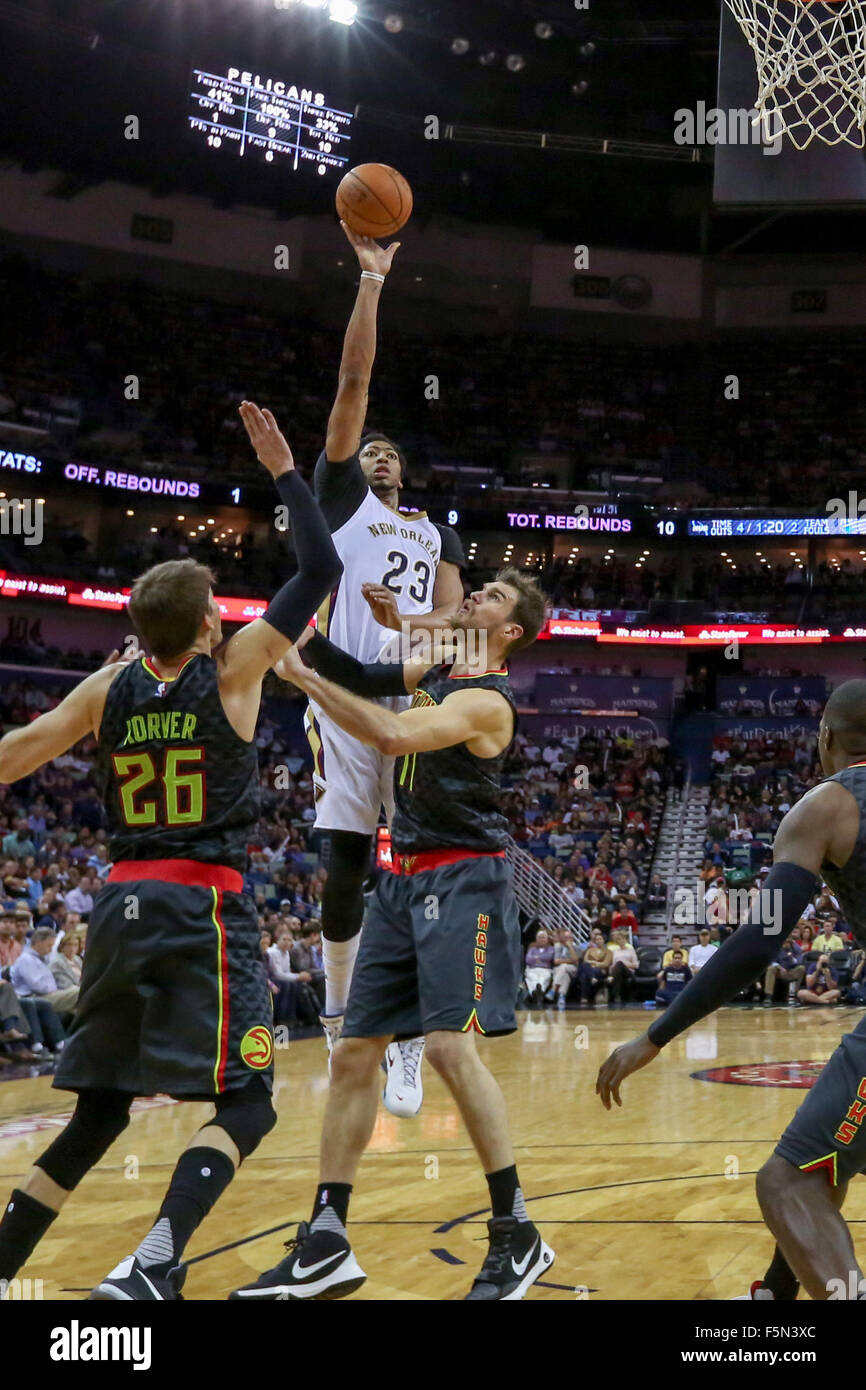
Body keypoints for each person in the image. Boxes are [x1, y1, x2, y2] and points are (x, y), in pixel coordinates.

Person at [0, 401, 342, 1301]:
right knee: (248, 1101)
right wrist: (284, 471)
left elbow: (12, 758)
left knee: (96, 1114)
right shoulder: (231, 673)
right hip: (204, 906)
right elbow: (322, 568)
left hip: (116, 906)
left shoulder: (105, 685)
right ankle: (152, 1264)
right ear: (204, 629)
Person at [231, 568, 553, 1301]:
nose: (478, 596)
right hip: (400, 878)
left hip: (464, 878)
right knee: (352, 1057)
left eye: (494, 598)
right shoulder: (439, 668)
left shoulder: (484, 700)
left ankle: (517, 1232)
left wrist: (302, 675)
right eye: (483, 588)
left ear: (509, 635)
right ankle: (327, 1241)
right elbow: (385, 664)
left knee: (446, 1046)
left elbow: (391, 732)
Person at [596, 679, 866, 1303]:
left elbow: (755, 945)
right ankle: (775, 1298)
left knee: (789, 1181)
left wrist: (656, 1034)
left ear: (824, 739)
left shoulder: (827, 805)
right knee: (824, 1157)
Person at [303, 223, 465, 1117]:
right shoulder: (341, 502)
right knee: (344, 863)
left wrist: (421, 626)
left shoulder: (434, 531)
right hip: (343, 694)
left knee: (415, 870)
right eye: (368, 450)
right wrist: (371, 281)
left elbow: (455, 614)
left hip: (409, 695)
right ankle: (337, 1018)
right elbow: (353, 385)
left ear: (406, 469)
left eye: (388, 452)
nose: (377, 453)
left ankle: (403, 1038)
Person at [763, 936, 805, 1006]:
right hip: (780, 971)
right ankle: (768, 996)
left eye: (788, 942)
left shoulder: (796, 948)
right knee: (771, 968)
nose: (786, 944)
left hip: (792, 970)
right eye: (785, 942)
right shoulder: (776, 947)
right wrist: (780, 968)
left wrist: (792, 958)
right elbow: (771, 961)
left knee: (801, 968)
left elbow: (799, 961)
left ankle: (794, 995)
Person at [578, 928, 612, 1008]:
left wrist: (595, 963)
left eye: (600, 939)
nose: (599, 941)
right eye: (597, 939)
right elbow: (585, 960)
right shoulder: (590, 950)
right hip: (590, 969)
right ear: (595, 941)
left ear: (603, 940)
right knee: (584, 969)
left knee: (585, 973)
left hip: (600, 970)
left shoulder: (608, 951)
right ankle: (592, 978)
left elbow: (606, 963)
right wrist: (592, 964)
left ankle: (584, 997)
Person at [524, 928, 555, 1006]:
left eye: (543, 937)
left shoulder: (551, 949)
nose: (541, 939)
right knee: (532, 978)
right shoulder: (532, 949)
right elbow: (528, 960)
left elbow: (548, 957)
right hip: (532, 969)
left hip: (545, 970)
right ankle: (538, 993)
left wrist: (536, 958)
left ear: (547, 939)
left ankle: (535, 992)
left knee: (543, 979)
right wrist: (541, 959)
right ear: (536, 939)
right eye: (540, 937)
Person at [552, 927, 580, 1009]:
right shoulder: (559, 947)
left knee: (564, 967)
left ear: (572, 938)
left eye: (569, 937)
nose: (568, 939)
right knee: (565, 974)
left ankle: (553, 989)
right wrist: (569, 960)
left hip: (573, 969)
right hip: (560, 970)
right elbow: (556, 961)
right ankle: (562, 996)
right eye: (566, 937)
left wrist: (570, 947)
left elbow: (576, 962)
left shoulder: (577, 947)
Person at [608, 929, 639, 1006]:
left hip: (628, 972)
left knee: (619, 963)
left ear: (625, 940)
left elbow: (635, 965)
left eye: (622, 939)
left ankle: (611, 978)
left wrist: (623, 965)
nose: (620, 941)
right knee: (618, 968)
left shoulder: (631, 950)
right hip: (618, 973)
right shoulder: (615, 952)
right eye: (618, 939)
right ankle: (617, 997)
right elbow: (612, 965)